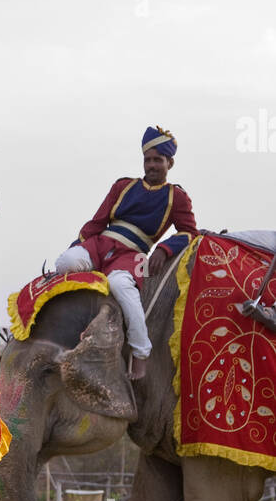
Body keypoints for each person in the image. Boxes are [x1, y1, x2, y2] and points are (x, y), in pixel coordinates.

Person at [54, 127, 199, 378]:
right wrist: (78, 245)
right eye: (148, 159)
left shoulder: (177, 197)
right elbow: (97, 222)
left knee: (120, 285)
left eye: (157, 160)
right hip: (101, 244)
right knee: (66, 263)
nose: (151, 165)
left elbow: (189, 232)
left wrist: (164, 250)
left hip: (132, 254)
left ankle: (141, 352)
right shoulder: (123, 186)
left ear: (170, 163)